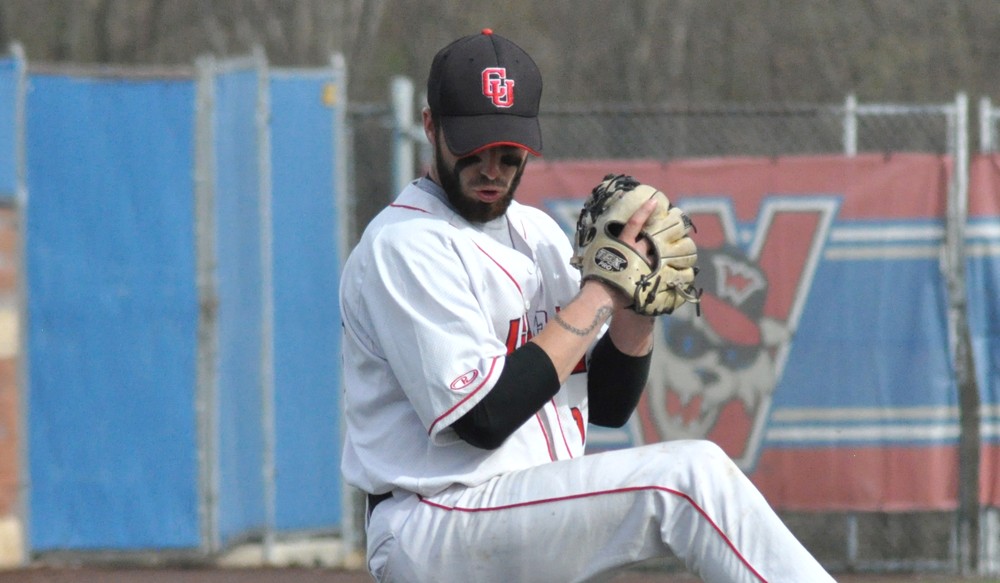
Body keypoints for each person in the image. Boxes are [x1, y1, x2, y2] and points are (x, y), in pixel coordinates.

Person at [339, 29, 835, 583]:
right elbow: (483, 417)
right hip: (435, 521)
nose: (492, 169)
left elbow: (604, 404)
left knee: (687, 479)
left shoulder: (539, 235)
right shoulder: (404, 244)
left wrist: (634, 310)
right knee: (690, 480)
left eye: (508, 153)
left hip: (519, 512)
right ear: (431, 128)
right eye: (472, 148)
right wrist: (603, 289)